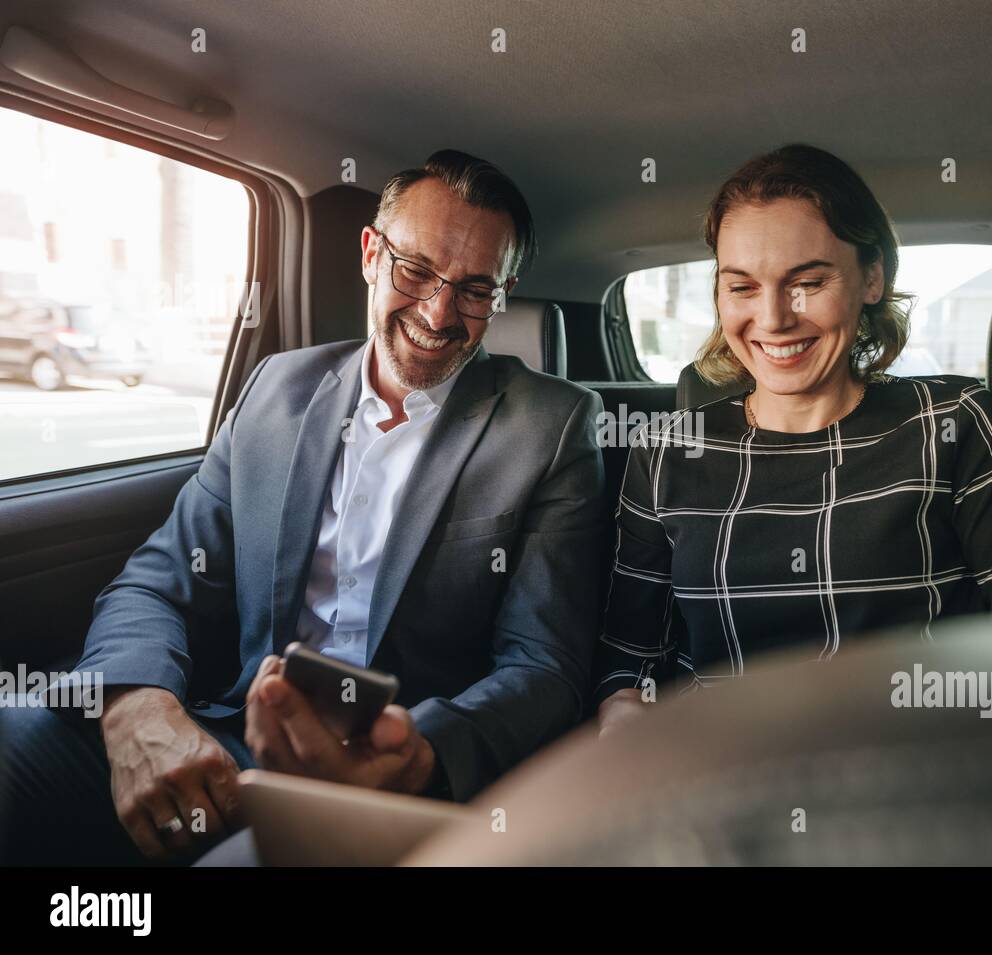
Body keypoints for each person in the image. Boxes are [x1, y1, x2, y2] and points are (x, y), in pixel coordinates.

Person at [0, 149, 605, 865]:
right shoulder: (275, 390)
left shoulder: (554, 423)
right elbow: (159, 577)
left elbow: (545, 666)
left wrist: (418, 758)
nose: (440, 313)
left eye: (476, 290)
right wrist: (138, 705)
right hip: (233, 734)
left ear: (500, 296)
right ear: (371, 254)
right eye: (415, 272)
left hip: (402, 768)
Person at [594, 144, 992, 736]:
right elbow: (630, 659)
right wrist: (622, 708)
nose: (773, 318)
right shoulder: (666, 451)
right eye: (741, 287)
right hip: (720, 776)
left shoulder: (954, 421)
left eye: (808, 281)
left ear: (872, 278)